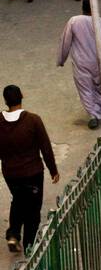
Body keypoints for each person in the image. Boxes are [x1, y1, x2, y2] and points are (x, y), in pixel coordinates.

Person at [0, 85, 59, 254]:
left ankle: (13, 234)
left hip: (10, 174)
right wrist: (53, 170)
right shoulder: (33, 120)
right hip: (32, 173)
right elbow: (45, 148)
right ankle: (29, 247)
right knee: (32, 210)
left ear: (5, 101)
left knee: (18, 200)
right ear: (22, 97)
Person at [58, 0, 101, 130]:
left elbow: (64, 42)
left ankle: (94, 115)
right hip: (98, 62)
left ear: (82, 7)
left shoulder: (73, 21)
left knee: (86, 89)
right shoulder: (99, 22)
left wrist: (61, 59)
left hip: (81, 63)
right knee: (99, 86)